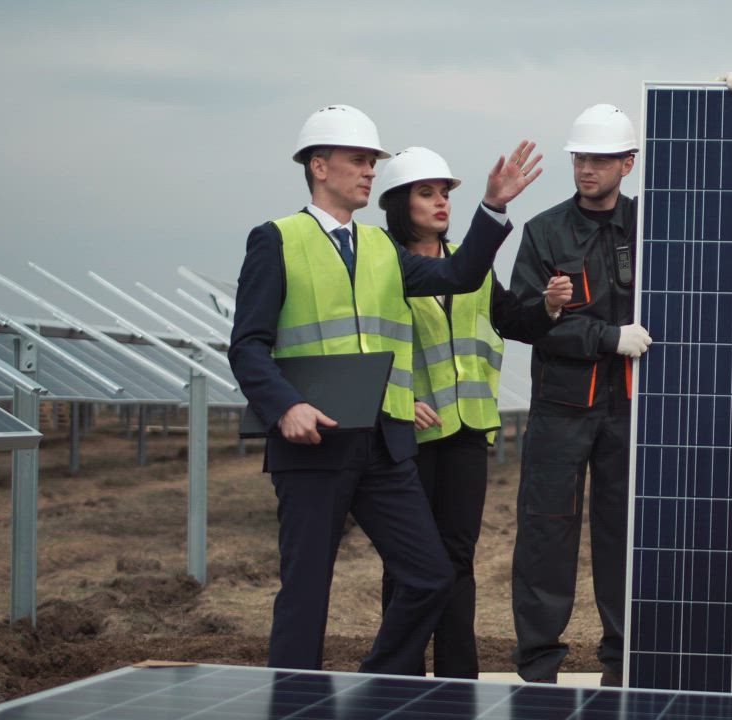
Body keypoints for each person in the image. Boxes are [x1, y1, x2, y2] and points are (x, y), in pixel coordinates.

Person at [228, 104, 542, 675]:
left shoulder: (382, 248)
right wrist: (285, 407)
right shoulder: (277, 240)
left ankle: (378, 683)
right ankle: (297, 705)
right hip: (312, 444)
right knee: (306, 592)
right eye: (358, 160)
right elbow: (247, 345)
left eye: (373, 161)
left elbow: (459, 275)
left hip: (385, 444)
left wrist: (493, 207)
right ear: (319, 167)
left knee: (429, 575)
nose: (371, 170)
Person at [375, 147, 573, 678]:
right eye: (426, 193)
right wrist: (390, 401)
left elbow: (515, 321)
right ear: (398, 203)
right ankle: (401, 677)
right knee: (409, 564)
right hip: (407, 434)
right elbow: (366, 344)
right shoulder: (381, 267)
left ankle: (459, 680)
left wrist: (549, 306)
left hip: (465, 431)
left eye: (444, 194)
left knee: (458, 559)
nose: (441, 203)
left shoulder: (473, 263)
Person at [507, 103, 652, 687]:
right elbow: (521, 318)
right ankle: (539, 665)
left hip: (633, 410)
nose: (586, 168)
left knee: (625, 532)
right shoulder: (544, 231)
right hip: (562, 409)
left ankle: (623, 661)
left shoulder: (652, 227)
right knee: (547, 531)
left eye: (598, 158)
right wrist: (604, 335)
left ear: (627, 163)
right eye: (579, 158)